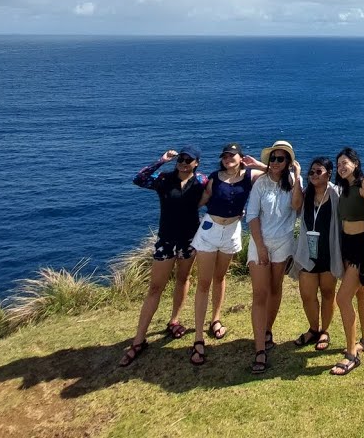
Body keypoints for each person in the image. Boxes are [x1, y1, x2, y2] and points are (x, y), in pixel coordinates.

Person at [119, 146, 207, 367]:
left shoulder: (201, 181)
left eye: (188, 160)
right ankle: (139, 339)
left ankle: (174, 320)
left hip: (189, 240)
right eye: (181, 159)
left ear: (196, 163)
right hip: (166, 240)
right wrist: (161, 161)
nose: (183, 163)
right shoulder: (164, 179)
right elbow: (139, 179)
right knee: (155, 288)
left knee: (183, 279)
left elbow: (219, 191)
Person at [186, 142, 264, 366]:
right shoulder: (214, 177)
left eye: (232, 155)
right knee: (204, 283)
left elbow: (276, 172)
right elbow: (201, 201)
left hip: (231, 232)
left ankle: (216, 319)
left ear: (241, 157)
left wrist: (257, 164)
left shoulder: (250, 176)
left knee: (220, 278)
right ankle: (198, 337)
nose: (228, 159)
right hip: (210, 229)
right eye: (225, 156)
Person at [246, 140, 303, 374]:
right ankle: (260, 349)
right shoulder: (260, 183)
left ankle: (267, 329)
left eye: (281, 158)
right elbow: (252, 216)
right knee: (260, 293)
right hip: (261, 241)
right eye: (273, 158)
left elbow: (297, 206)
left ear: (288, 162)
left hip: (283, 242)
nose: (276, 162)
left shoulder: (294, 182)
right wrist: (260, 247)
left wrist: (297, 176)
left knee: (275, 287)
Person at [329, 146, 364, 376]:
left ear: (355, 164)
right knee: (362, 292)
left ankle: (352, 355)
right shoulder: (344, 188)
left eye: (345, 163)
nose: (341, 167)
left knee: (342, 298)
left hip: (362, 245)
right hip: (348, 244)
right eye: (339, 164)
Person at [290, 157, 342, 352]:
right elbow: (295, 205)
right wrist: (297, 176)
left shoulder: (337, 193)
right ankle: (313, 329)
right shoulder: (306, 195)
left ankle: (325, 331)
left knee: (328, 293)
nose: (313, 175)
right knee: (307, 296)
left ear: (329, 174)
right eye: (311, 172)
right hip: (307, 254)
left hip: (329, 254)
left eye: (318, 172)